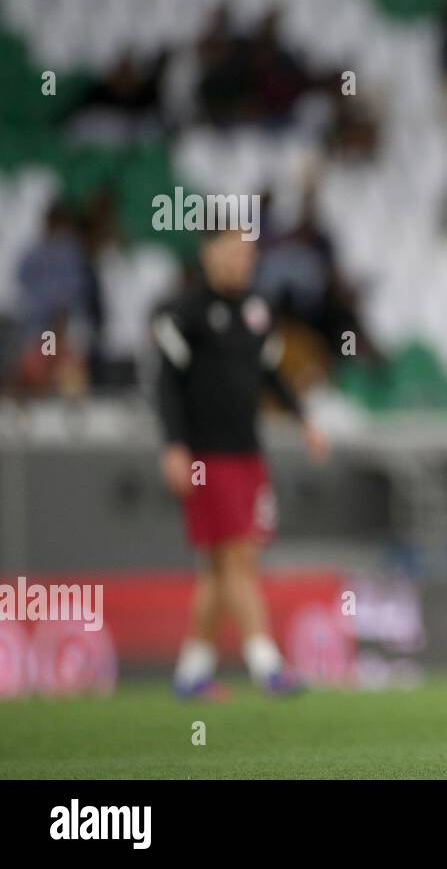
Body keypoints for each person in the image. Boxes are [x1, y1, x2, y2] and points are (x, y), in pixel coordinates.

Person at [154, 226, 328, 698]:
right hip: (207, 457)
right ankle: (266, 665)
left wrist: (302, 419)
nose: (240, 261)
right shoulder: (183, 314)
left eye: (246, 253)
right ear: (208, 255)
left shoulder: (258, 312)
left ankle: (191, 674)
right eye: (230, 252)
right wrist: (174, 445)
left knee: (217, 566)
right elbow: (167, 385)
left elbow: (271, 373)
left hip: (248, 452)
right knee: (240, 556)